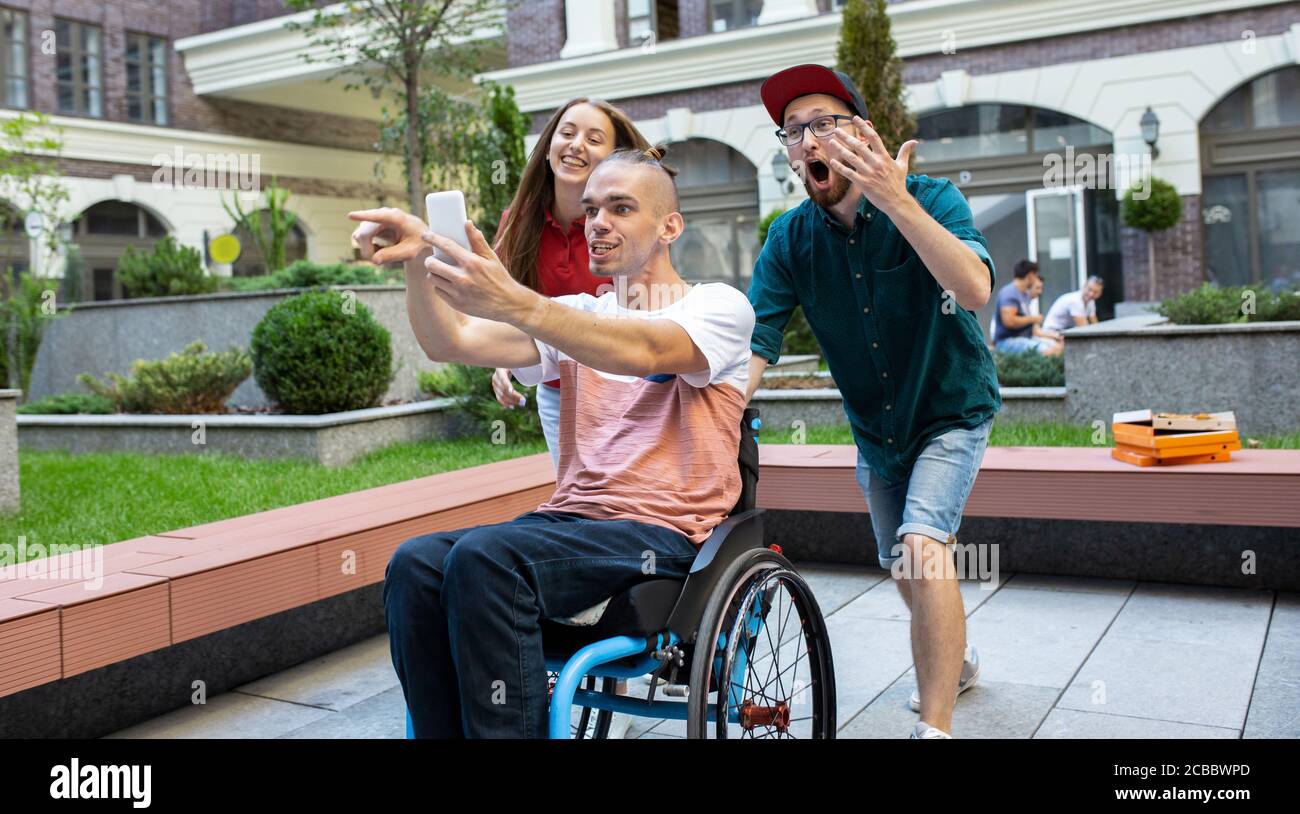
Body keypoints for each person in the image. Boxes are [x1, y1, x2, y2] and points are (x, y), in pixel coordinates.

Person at [348, 146, 755, 738]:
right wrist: (419, 257)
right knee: (416, 563)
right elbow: (451, 340)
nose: (598, 223)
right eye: (591, 210)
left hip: (665, 533)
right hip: (570, 520)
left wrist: (518, 301)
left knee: (487, 558)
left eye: (620, 208)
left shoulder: (718, 307)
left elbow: (645, 350)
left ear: (670, 226)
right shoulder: (570, 315)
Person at [744, 63, 1000, 739]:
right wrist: (714, 418)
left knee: (921, 545)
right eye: (793, 131)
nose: (807, 141)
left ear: (862, 133)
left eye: (823, 123)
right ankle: (959, 660)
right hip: (877, 431)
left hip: (951, 409)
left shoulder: (931, 197)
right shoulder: (789, 239)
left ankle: (936, 728)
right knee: (901, 565)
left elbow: (974, 288)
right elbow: (756, 342)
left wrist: (899, 203)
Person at [490, 98, 652, 467]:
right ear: (549, 148)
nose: (577, 144)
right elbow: (504, 303)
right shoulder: (517, 222)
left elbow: (643, 317)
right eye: (567, 133)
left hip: (622, 389)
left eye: (594, 139)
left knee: (624, 494)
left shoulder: (625, 224)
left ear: (614, 159)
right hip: (554, 391)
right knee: (572, 496)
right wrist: (502, 362)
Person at [993, 259, 1062, 356]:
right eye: (1035, 275)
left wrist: (1054, 336)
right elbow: (1009, 321)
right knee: (1050, 351)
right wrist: (1033, 319)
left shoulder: (1024, 295)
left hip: (1024, 339)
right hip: (1007, 342)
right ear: (1030, 275)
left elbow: (1033, 330)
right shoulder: (1009, 293)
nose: (1036, 279)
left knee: (1058, 347)